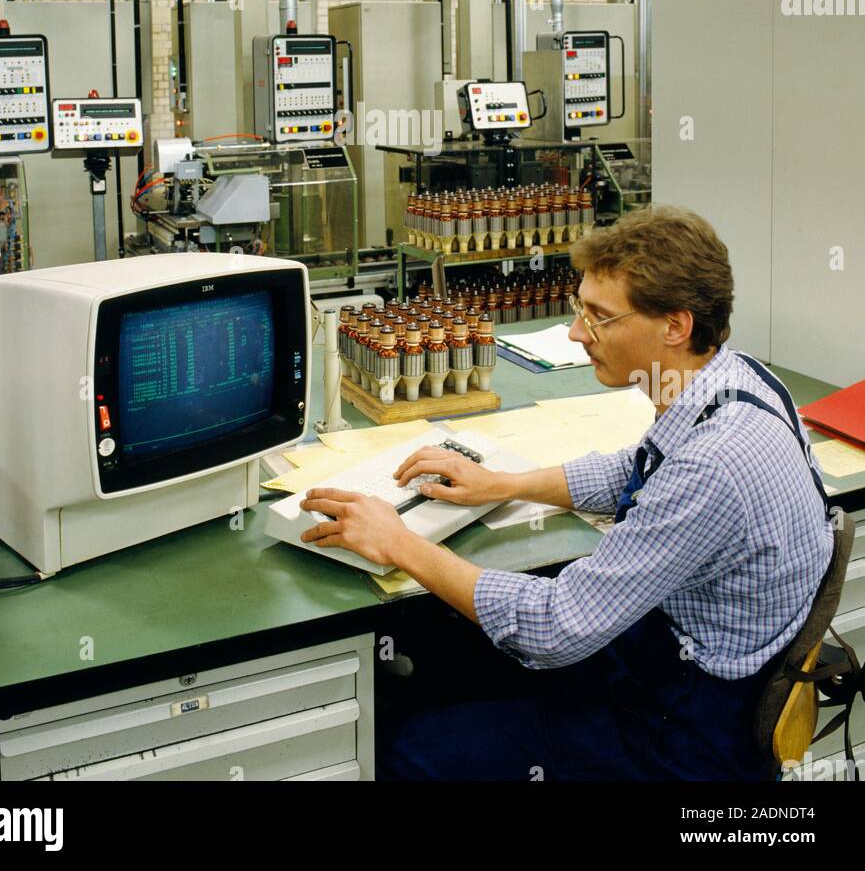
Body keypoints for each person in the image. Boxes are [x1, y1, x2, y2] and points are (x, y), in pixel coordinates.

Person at [298, 205, 836, 780]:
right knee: (446, 651)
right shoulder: (741, 381)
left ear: (674, 326)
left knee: (403, 746)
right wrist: (505, 483)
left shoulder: (714, 466)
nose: (579, 332)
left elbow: (556, 628)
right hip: (692, 671)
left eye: (599, 317)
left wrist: (400, 543)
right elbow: (641, 466)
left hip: (679, 736)